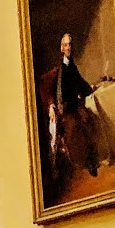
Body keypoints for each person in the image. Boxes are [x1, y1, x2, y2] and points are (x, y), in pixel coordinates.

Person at [37, 31, 98, 184]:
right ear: (61, 48)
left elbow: (81, 84)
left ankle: (91, 160)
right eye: (65, 45)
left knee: (88, 120)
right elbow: (46, 88)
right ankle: (64, 166)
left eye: (70, 44)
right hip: (64, 110)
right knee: (72, 129)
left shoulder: (72, 67)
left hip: (75, 106)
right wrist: (50, 105)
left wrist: (91, 88)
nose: (68, 47)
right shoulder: (57, 72)